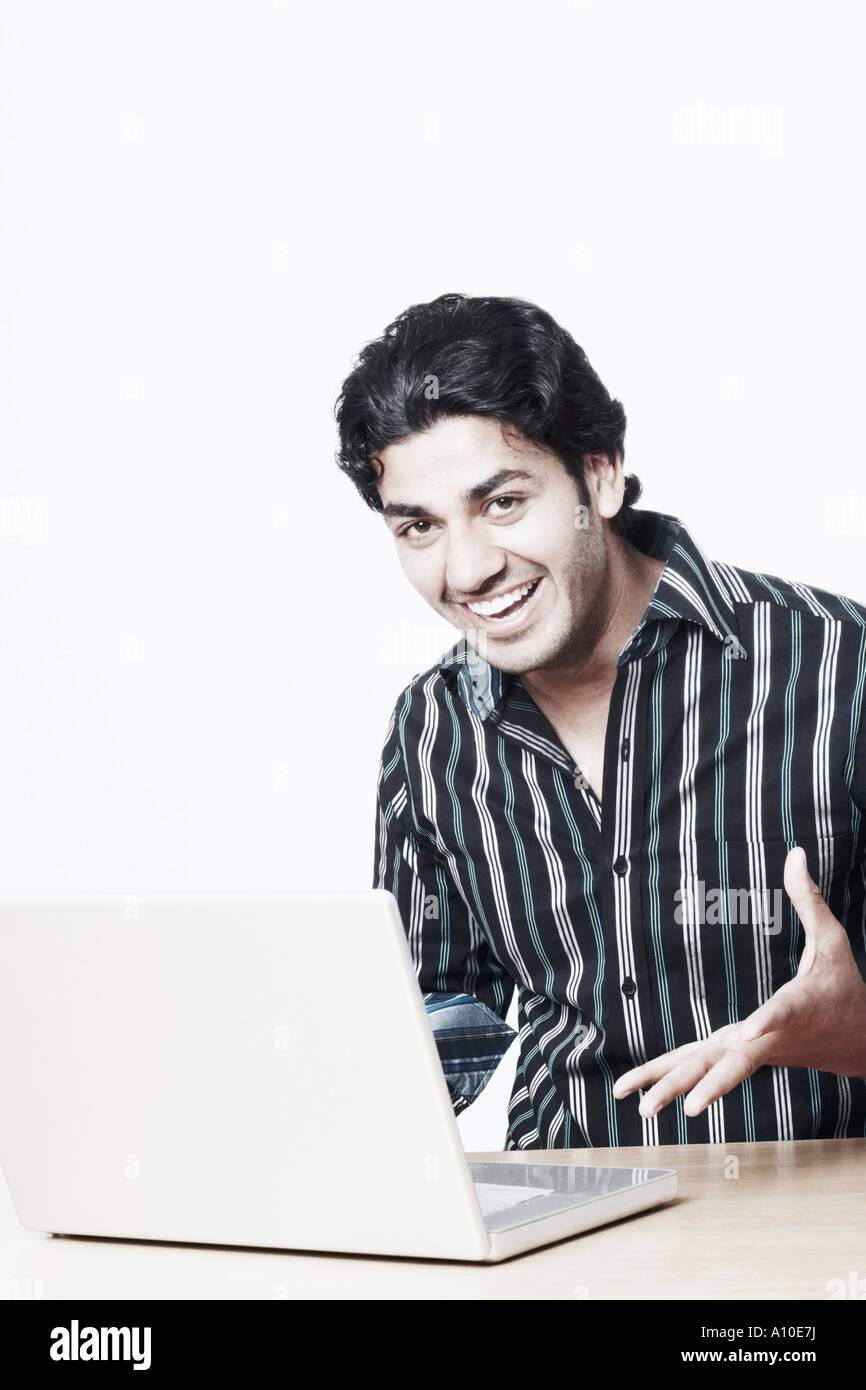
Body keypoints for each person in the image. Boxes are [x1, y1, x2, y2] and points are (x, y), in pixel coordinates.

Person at [334, 292, 866, 1149]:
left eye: (503, 501)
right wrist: (302, 1076)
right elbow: (439, 1025)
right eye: (419, 527)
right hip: (563, 1244)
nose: (466, 569)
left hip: (813, 1245)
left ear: (601, 474)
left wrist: (856, 1036)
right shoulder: (433, 730)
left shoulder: (838, 664)